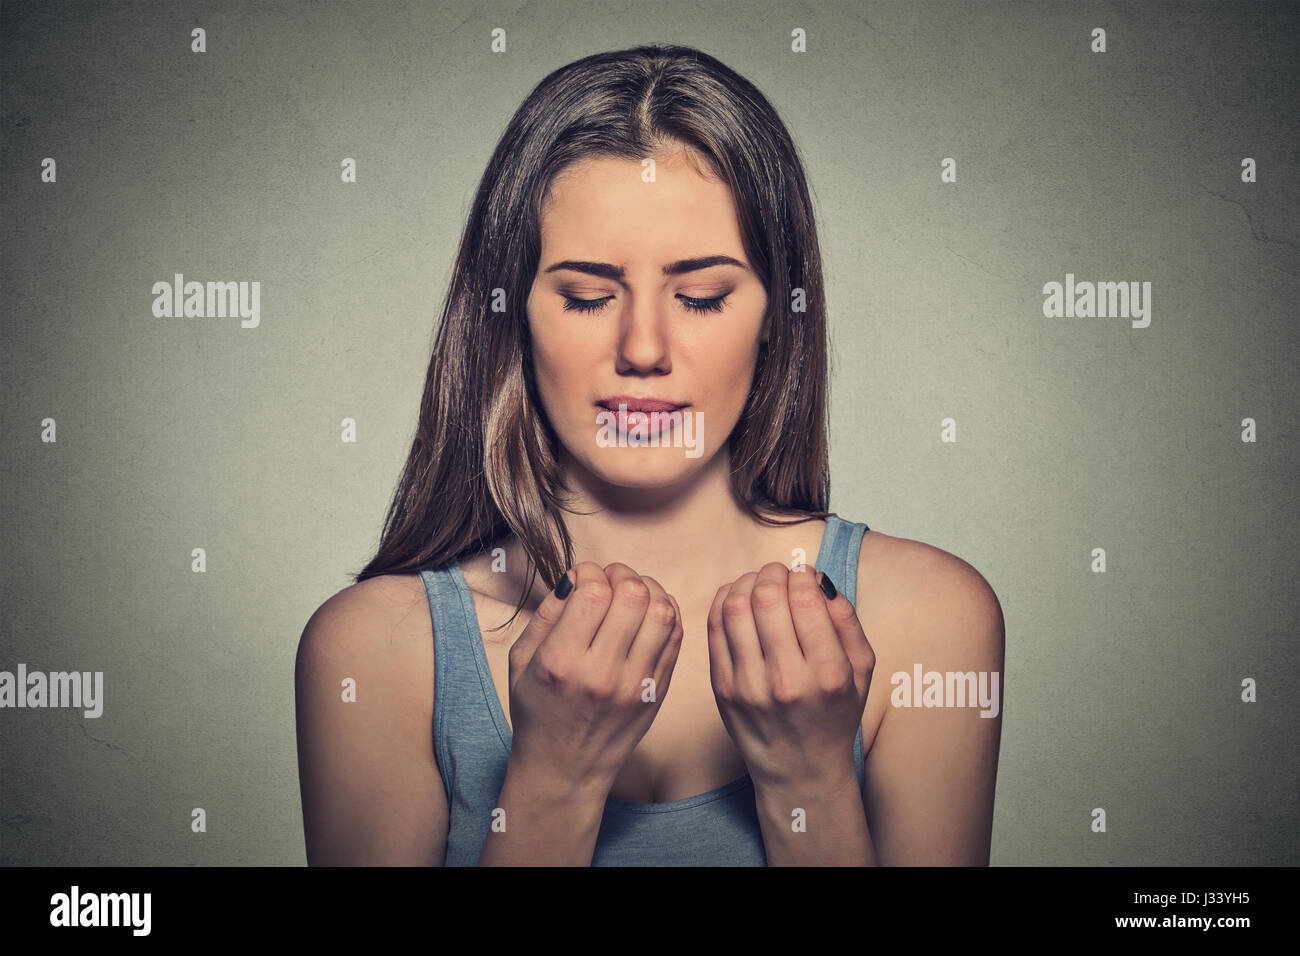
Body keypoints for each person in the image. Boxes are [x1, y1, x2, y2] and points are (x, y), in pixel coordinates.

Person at [294, 43, 1004, 866]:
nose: (642, 347)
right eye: (588, 297)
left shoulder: (931, 621)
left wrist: (807, 782)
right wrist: (552, 779)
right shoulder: (372, 654)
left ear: (778, 313)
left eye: (700, 297)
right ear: (510, 313)